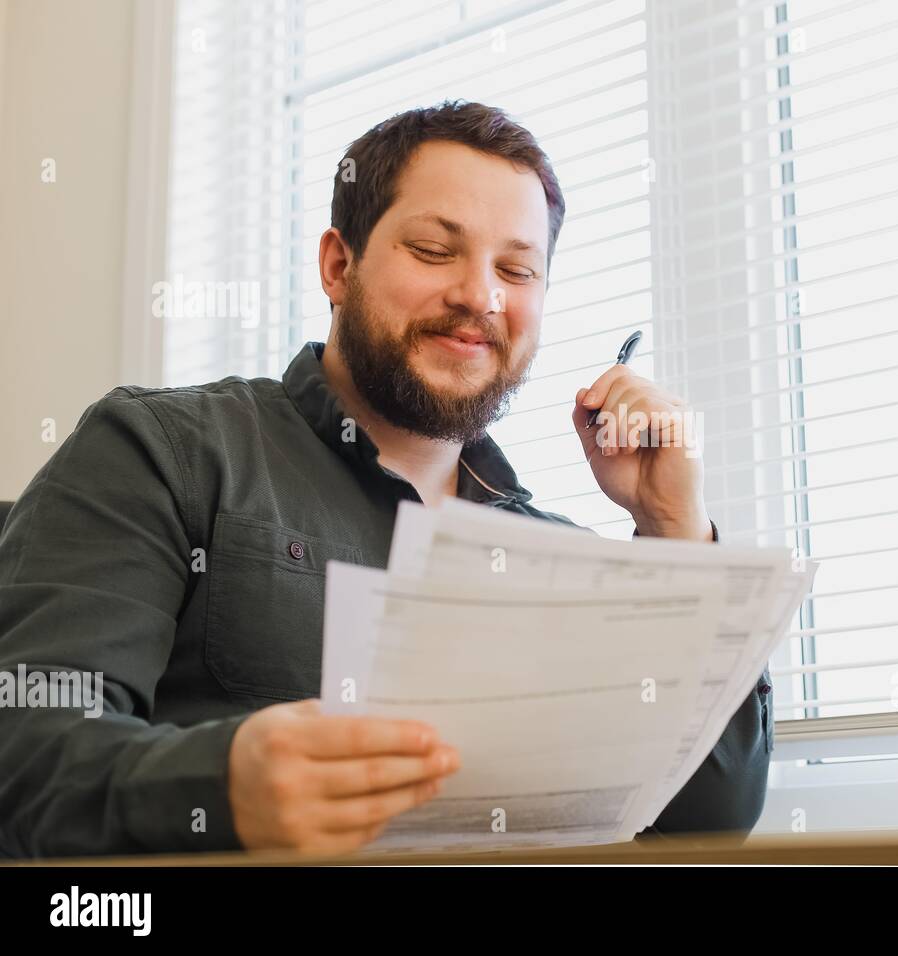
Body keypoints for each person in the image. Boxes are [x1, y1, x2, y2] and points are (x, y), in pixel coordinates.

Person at [0, 100, 774, 858]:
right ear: (340, 265)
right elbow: (27, 759)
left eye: (516, 267)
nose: (481, 295)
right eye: (436, 251)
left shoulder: (559, 562)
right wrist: (220, 786)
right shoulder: (164, 451)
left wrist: (676, 532)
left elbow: (701, 825)